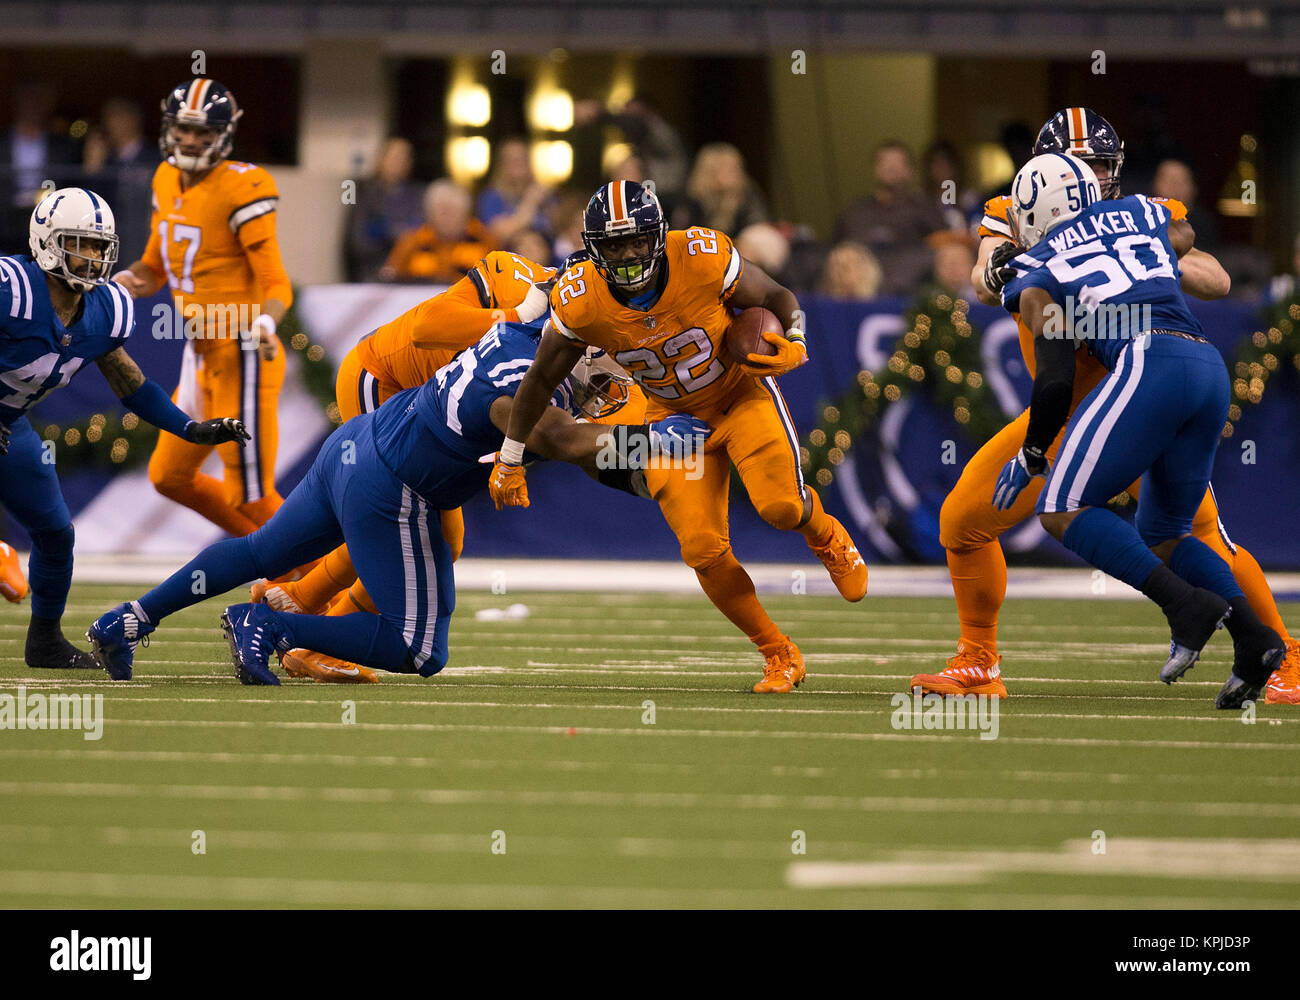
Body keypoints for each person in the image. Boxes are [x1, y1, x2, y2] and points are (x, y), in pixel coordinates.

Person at [87, 319, 705, 684]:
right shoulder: (519, 393)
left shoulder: (525, 331)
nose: (610, 385)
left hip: (357, 443)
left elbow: (569, 306)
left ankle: (129, 620)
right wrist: (653, 446)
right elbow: (566, 439)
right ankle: (270, 624)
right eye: (605, 372)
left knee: (260, 550)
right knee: (420, 647)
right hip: (394, 484)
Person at [922, 107, 1298, 705]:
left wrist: (1127, 252)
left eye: (1099, 165)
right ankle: (978, 661)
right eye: (1080, 166)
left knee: (1199, 536)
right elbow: (986, 273)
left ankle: (1285, 657)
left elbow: (1216, 277)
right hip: (1068, 409)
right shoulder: (1024, 217)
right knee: (962, 523)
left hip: (1135, 393)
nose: (1091, 178)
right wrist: (1009, 257)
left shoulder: (1135, 215)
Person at [488, 181, 870, 694]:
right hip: (670, 415)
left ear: (659, 236)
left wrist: (794, 337)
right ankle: (778, 653)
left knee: (779, 507)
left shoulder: (702, 255)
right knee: (702, 548)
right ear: (591, 248)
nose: (626, 255)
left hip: (738, 395)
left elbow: (778, 296)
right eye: (614, 245)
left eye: (636, 242)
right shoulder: (580, 300)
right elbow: (539, 382)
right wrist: (511, 456)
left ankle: (823, 532)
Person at [0, 187, 246, 668]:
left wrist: (189, 428)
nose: (92, 257)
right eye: (80, 243)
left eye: (98, 246)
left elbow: (129, 383)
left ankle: (45, 641)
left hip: (11, 424)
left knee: (56, 533)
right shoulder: (13, 289)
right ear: (47, 240)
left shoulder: (104, 310)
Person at [113, 78, 294, 541]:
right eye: (184, 130)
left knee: (250, 494)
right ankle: (283, 566)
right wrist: (129, 283)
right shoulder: (164, 177)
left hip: (242, 352)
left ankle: (330, 581)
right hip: (200, 354)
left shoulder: (243, 186)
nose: (191, 141)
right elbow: (153, 267)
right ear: (169, 129)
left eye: (203, 133)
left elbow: (276, 282)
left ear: (224, 135)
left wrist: (265, 322)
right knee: (169, 476)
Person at [833, 141, 947, 295]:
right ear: (875, 168)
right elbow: (835, 249)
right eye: (885, 162)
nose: (891, 168)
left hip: (910, 290)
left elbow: (944, 247)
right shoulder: (856, 211)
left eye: (898, 163)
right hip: (857, 290)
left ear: (910, 170)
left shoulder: (925, 208)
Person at [381, 179, 492, 283]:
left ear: (465, 212)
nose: (447, 216)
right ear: (429, 213)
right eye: (441, 210)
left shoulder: (484, 239)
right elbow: (389, 276)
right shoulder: (412, 241)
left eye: (452, 210)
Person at [345, 137, 424, 282]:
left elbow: (421, 235)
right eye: (394, 157)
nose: (399, 162)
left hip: (410, 275)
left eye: (404, 158)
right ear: (381, 160)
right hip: (371, 273)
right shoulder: (362, 194)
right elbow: (358, 241)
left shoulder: (418, 196)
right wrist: (395, 234)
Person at [673, 143, 768, 236]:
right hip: (700, 248)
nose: (732, 173)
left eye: (734, 168)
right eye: (724, 168)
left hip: (739, 248)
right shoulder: (693, 196)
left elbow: (758, 227)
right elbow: (681, 233)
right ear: (708, 172)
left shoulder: (747, 192)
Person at [476, 137, 554, 248]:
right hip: (508, 260)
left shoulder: (545, 194)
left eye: (523, 159)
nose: (519, 164)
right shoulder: (491, 197)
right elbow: (501, 234)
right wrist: (530, 202)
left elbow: (560, 229)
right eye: (512, 160)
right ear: (501, 166)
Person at [818, 241, 883, 300]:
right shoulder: (817, 307)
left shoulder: (882, 307)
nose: (837, 272)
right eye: (832, 266)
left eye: (844, 267)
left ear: (865, 270)